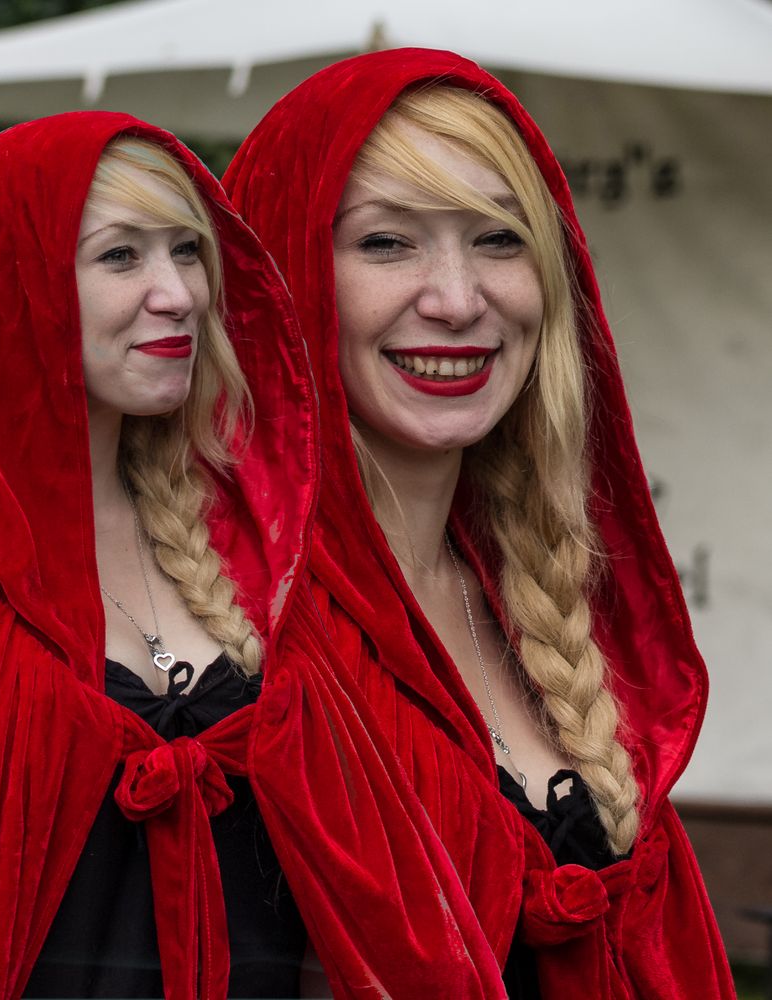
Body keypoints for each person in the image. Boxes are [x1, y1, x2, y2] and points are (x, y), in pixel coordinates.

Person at [225, 49, 736, 998]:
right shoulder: (223, 638)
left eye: (500, 238)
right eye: (386, 243)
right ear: (281, 272)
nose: (458, 300)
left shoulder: (549, 615)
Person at [0, 112, 317, 998]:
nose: (179, 292)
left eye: (188, 251)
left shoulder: (254, 549)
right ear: (9, 282)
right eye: (120, 256)